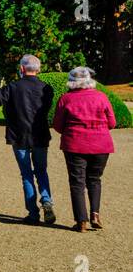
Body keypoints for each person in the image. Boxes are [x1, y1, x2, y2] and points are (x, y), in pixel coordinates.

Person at [0, 54, 55, 223]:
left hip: (19, 135)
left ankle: (33, 213)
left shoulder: (13, 87)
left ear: (22, 69)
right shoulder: (47, 88)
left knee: (26, 174)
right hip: (39, 134)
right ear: (38, 69)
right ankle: (46, 200)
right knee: (41, 170)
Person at [51, 66, 116, 232]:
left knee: (77, 182)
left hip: (74, 144)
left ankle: (81, 221)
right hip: (101, 144)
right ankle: (95, 214)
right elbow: (112, 123)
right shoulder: (101, 97)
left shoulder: (66, 99)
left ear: (72, 82)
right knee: (94, 179)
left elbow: (57, 125)